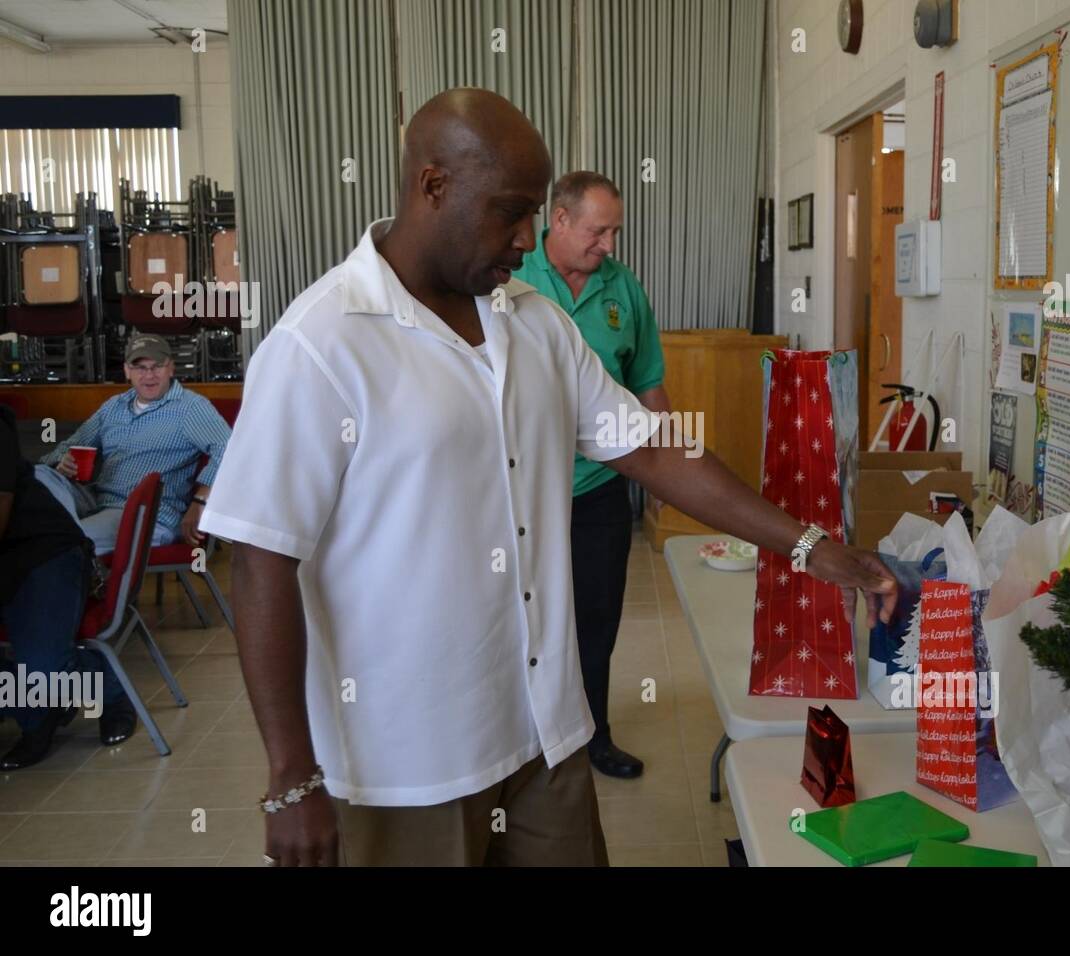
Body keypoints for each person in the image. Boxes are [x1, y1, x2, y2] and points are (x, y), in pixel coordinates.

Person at [199, 88, 897, 867]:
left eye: (536, 212)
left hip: (543, 737)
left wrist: (809, 545)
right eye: (511, 211)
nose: (529, 238)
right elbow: (261, 559)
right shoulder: (320, 345)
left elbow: (654, 450)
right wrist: (292, 777)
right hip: (406, 765)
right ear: (433, 186)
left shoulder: (533, 320)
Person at [514, 170, 666, 779]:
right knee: (524, 622)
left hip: (599, 491)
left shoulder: (623, 288)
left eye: (615, 231)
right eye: (597, 231)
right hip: (522, 493)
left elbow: (649, 381)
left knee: (595, 622)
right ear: (560, 219)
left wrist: (664, 475)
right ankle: (525, 744)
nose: (608, 244)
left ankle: (593, 737)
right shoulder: (514, 277)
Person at [0, 404, 136, 767]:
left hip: (43, 553)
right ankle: (40, 703)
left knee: (44, 668)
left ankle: (105, 692)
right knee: (34, 675)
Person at [37, 334, 230, 555]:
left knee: (61, 541)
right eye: (139, 367)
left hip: (144, 512)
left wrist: (201, 499)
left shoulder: (190, 407)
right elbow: (70, 445)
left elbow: (229, 448)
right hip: (97, 499)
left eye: (157, 366)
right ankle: (62, 536)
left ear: (171, 369)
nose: (149, 375)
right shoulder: (114, 406)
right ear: (127, 371)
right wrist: (63, 462)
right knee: (41, 474)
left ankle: (63, 541)